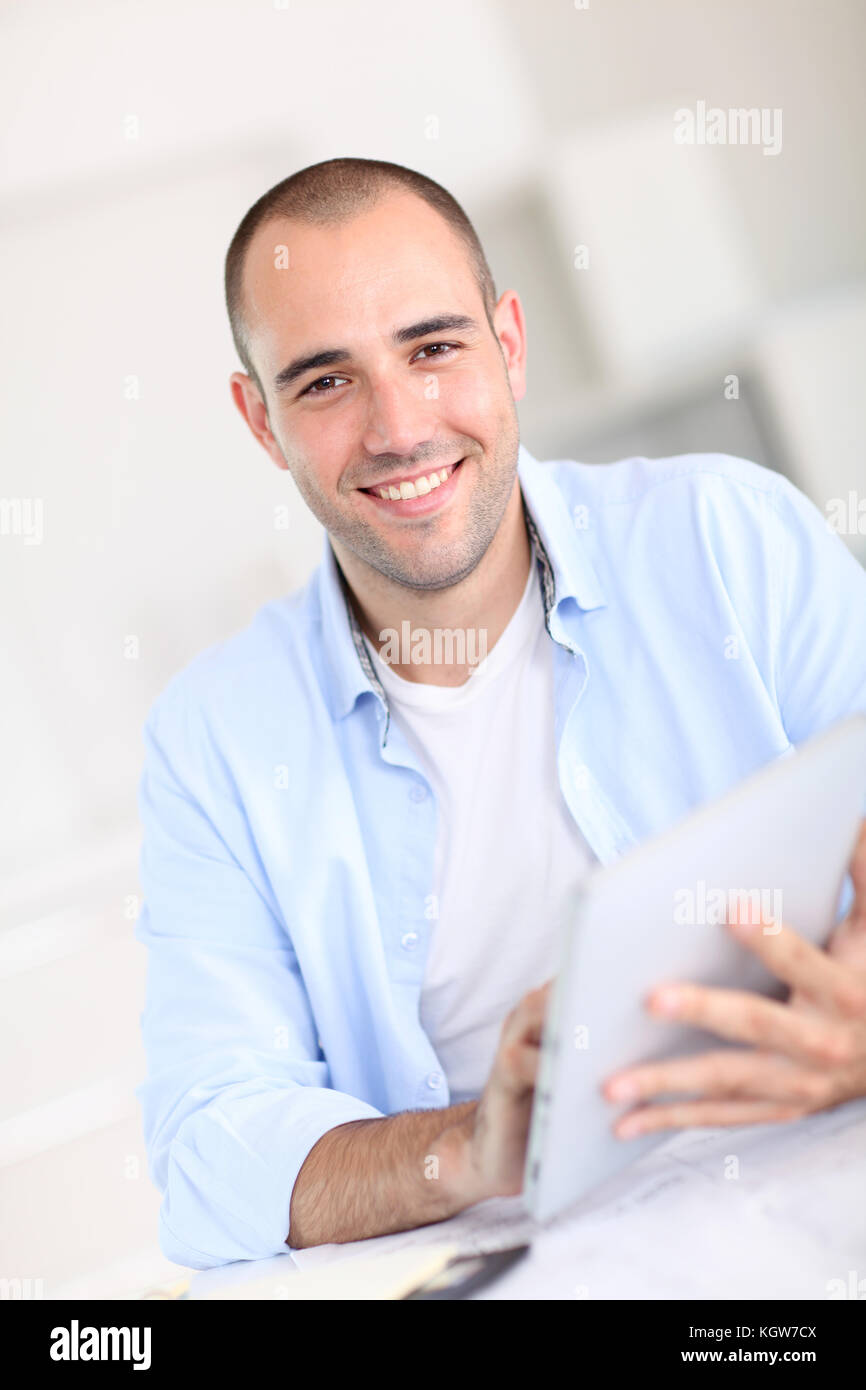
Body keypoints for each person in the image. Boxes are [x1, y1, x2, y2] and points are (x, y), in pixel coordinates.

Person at [135, 157, 866, 1268]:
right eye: (325, 382)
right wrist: (468, 1150)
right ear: (260, 420)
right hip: (534, 1259)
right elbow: (207, 1150)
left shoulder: (726, 538)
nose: (397, 427)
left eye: (432, 349)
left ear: (507, 343)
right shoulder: (214, 742)